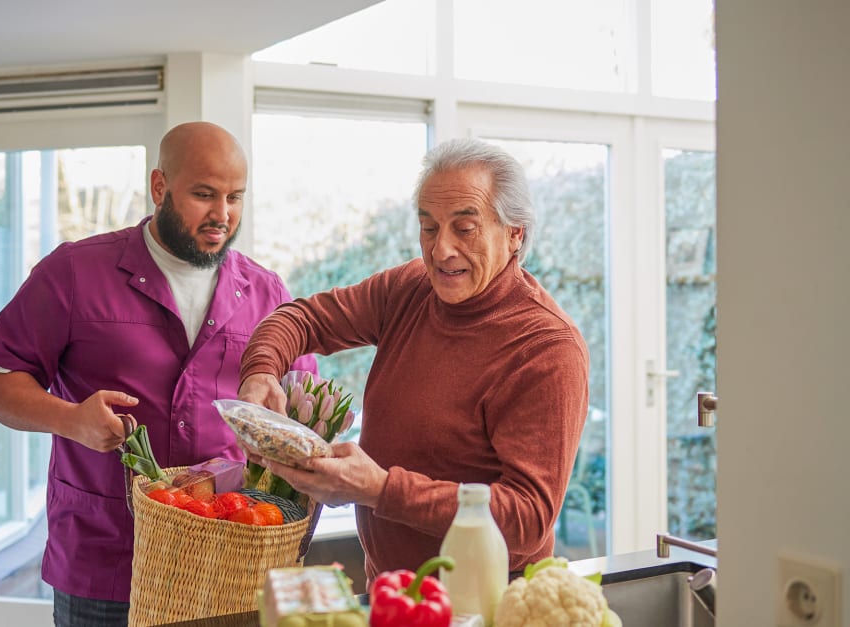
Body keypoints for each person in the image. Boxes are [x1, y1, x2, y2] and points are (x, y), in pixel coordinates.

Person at [0, 121, 316, 627]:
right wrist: (70, 420)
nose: (223, 215)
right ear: (159, 186)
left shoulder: (268, 294)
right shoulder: (73, 272)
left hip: (226, 568)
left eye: (235, 197)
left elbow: (302, 411)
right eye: (204, 194)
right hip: (105, 561)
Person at [237, 137, 590, 584]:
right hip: (391, 586)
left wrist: (381, 490)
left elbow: (526, 519)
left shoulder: (546, 348)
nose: (441, 250)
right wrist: (260, 371)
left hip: (487, 599)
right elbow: (303, 318)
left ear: (514, 233)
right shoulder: (410, 287)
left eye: (465, 228)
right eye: (429, 227)